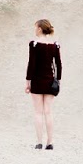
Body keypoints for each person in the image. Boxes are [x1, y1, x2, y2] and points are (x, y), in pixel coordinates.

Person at [25, 18, 62, 149]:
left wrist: (27, 81)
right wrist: (58, 81)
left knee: (38, 112)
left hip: (37, 80)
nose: (34, 30)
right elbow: (58, 65)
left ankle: (39, 142)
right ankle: (50, 143)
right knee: (48, 112)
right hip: (50, 81)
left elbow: (31, 64)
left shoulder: (34, 44)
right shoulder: (55, 45)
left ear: (40, 28)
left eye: (35, 27)